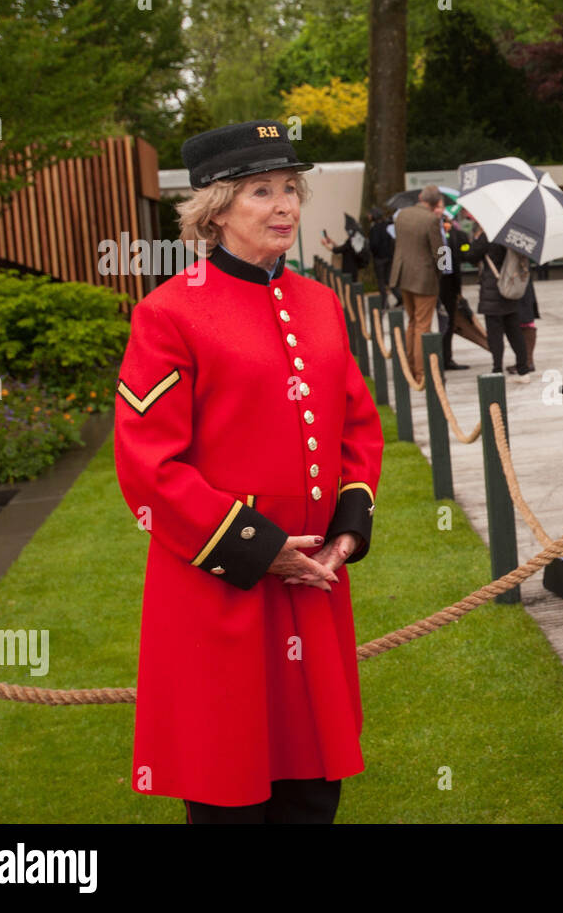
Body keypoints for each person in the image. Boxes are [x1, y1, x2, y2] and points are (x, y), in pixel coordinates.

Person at [114, 119, 385, 824]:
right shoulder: (167, 314)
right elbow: (149, 468)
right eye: (262, 190)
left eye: (290, 188)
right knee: (229, 793)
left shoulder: (321, 303)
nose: (285, 206)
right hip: (219, 597)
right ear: (216, 207)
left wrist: (344, 535)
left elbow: (357, 424)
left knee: (312, 792)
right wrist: (263, 551)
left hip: (315, 586)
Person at [389, 184, 445, 386]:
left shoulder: (402, 215)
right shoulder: (431, 219)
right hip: (424, 278)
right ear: (436, 203)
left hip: (403, 274)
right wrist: (442, 271)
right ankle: (421, 374)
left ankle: (410, 367)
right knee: (423, 325)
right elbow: (439, 252)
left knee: (412, 322)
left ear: (421, 197)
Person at [463, 222, 530, 382]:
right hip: (510, 286)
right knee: (514, 331)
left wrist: (470, 242)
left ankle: (497, 369)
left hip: (493, 289)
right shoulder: (512, 234)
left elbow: (470, 255)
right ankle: (523, 370)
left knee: (495, 333)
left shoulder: (489, 234)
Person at [439, 214, 471, 370]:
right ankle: (444, 358)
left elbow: (465, 252)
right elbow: (444, 266)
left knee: (447, 322)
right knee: (446, 322)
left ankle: (445, 357)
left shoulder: (455, 235)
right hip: (444, 285)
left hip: (448, 285)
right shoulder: (441, 237)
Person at [368, 207, 398, 309]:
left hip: (379, 259)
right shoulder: (388, 226)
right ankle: (399, 296)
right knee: (389, 279)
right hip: (389, 257)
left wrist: (373, 251)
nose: (368, 216)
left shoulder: (374, 228)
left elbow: (374, 244)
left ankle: (384, 302)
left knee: (381, 281)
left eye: (370, 214)